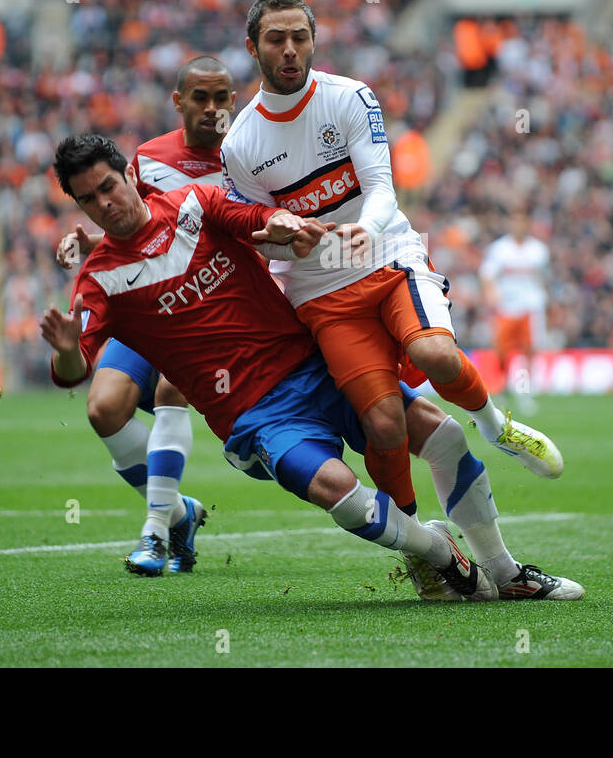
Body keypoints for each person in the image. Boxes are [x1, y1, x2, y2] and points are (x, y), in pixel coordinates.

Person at [59, 58, 543, 590]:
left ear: (130, 174)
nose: (106, 202)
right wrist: (65, 352)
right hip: (253, 410)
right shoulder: (101, 274)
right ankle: (439, 554)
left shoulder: (203, 193)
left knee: (436, 431)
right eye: (89, 198)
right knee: (336, 490)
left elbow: (248, 216)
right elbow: (71, 368)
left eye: (110, 185)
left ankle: (504, 569)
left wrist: (283, 223)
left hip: (309, 358)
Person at [220, 0, 563, 525]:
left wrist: (364, 227)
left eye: (299, 37)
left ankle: (498, 427)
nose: (289, 49)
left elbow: (382, 183)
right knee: (383, 425)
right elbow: (257, 232)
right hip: (320, 288)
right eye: (276, 39)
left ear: (314, 42)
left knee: (436, 356)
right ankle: (420, 543)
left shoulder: (351, 97)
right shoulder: (239, 144)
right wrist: (286, 236)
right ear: (252, 47)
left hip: (386, 252)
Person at [54, 56, 237, 577]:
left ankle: (155, 532)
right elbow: (143, 227)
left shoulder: (252, 151)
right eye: (198, 98)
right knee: (103, 409)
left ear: (234, 99)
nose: (211, 109)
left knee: (170, 388)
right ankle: (181, 514)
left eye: (220, 97)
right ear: (179, 102)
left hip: (215, 301)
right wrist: (91, 240)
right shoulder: (149, 158)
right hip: (150, 298)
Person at [479, 213, 550, 414]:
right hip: (507, 307)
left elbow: (544, 278)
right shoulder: (500, 249)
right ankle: (503, 386)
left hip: (531, 306)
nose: (518, 225)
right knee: (502, 352)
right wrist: (491, 292)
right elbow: (487, 274)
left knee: (528, 351)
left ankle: (524, 392)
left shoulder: (539, 250)